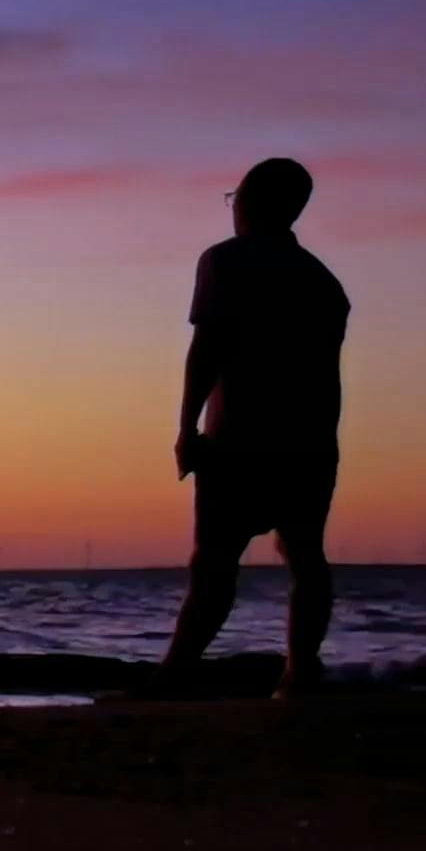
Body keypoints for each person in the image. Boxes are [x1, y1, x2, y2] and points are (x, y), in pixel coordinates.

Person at [166, 157, 349, 694]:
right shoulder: (323, 282)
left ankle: (176, 674)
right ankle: (301, 671)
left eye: (235, 196)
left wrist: (186, 428)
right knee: (305, 556)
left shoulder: (226, 261)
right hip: (311, 442)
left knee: (214, 562)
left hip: (241, 437)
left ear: (250, 199)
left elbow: (208, 350)